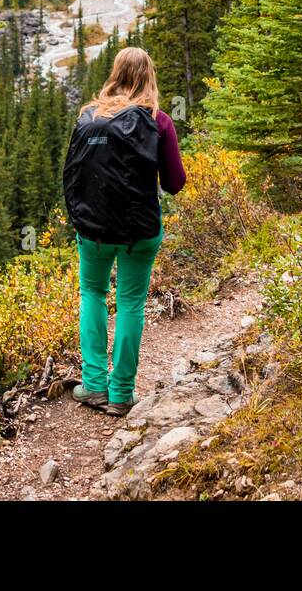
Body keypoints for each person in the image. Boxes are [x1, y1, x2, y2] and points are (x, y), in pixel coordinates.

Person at [63, 46, 186, 416]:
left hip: (93, 227)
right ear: (149, 76)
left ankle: (94, 385)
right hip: (139, 229)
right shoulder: (158, 120)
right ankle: (121, 394)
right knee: (131, 302)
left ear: (115, 73)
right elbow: (175, 183)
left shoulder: (89, 115)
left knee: (92, 293)